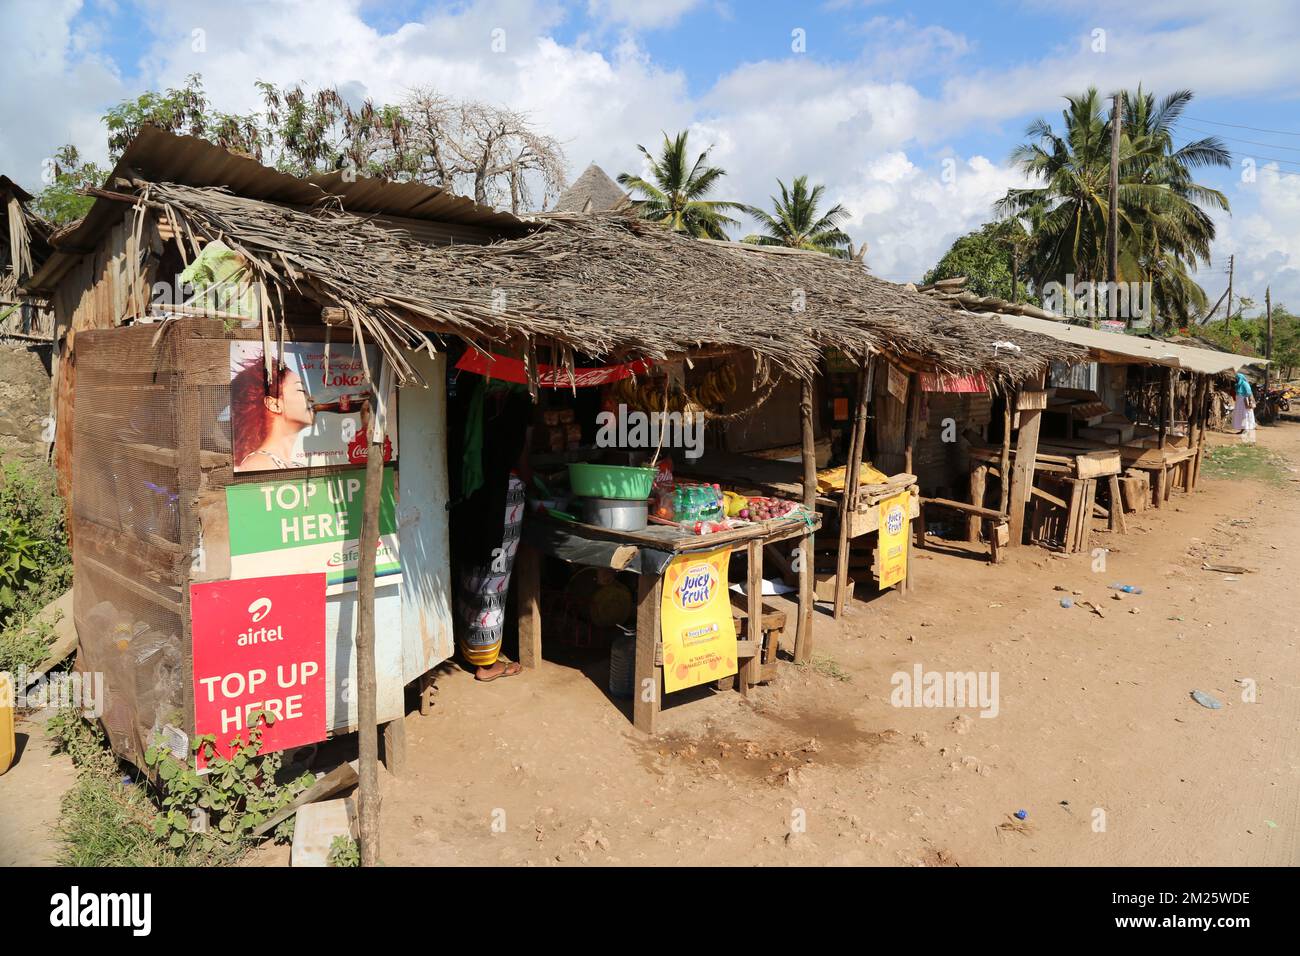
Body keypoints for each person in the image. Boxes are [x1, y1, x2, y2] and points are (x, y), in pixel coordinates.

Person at [231, 354, 313, 470]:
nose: (311, 398)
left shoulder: (286, 463)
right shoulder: (258, 465)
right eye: (300, 390)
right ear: (274, 404)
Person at [1233, 371, 1257, 444]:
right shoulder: (1238, 385)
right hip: (1239, 402)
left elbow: (1249, 393)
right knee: (1240, 415)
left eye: (1237, 378)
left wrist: (1250, 402)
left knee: (1245, 415)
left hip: (1244, 402)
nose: (1236, 379)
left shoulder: (1244, 384)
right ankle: (1242, 429)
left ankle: (1246, 429)